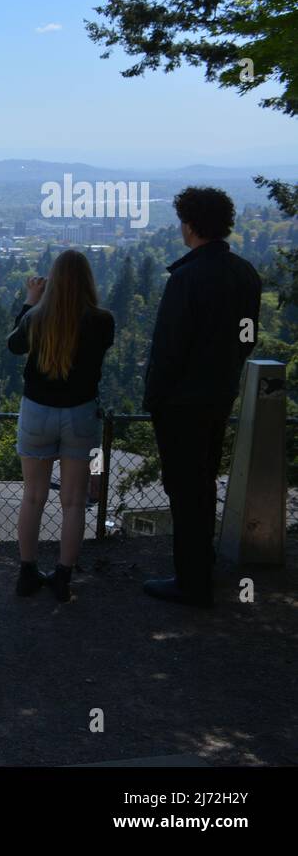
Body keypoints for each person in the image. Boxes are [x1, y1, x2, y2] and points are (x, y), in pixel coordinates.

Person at [142, 188, 261, 608]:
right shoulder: (245, 274)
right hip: (218, 396)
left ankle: (191, 581)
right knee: (204, 482)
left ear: (189, 226)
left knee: (184, 489)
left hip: (180, 404)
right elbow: (247, 337)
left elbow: (169, 349)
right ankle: (201, 565)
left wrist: (154, 398)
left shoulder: (185, 279)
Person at [8, 250, 115, 602]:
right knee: (72, 502)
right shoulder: (102, 321)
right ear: (87, 280)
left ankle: (27, 572)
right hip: (81, 415)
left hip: (37, 412)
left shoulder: (37, 318)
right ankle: (63, 578)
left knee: (33, 496)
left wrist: (30, 301)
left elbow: (14, 346)